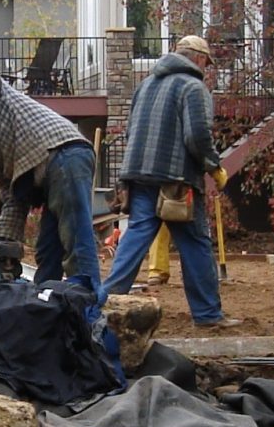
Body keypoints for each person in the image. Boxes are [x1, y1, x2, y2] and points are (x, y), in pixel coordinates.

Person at [98, 33, 236, 328]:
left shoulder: (146, 85)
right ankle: (208, 314)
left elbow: (130, 131)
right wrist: (214, 167)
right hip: (177, 180)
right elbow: (197, 136)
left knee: (135, 238)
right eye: (206, 63)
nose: (206, 68)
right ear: (199, 59)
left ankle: (101, 305)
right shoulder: (193, 87)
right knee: (195, 243)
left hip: (139, 173)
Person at [0, 60, 103, 315]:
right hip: (51, 171)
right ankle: (42, 311)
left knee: (75, 237)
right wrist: (2, 245)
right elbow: (13, 199)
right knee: (48, 251)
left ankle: (90, 311)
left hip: (64, 151)